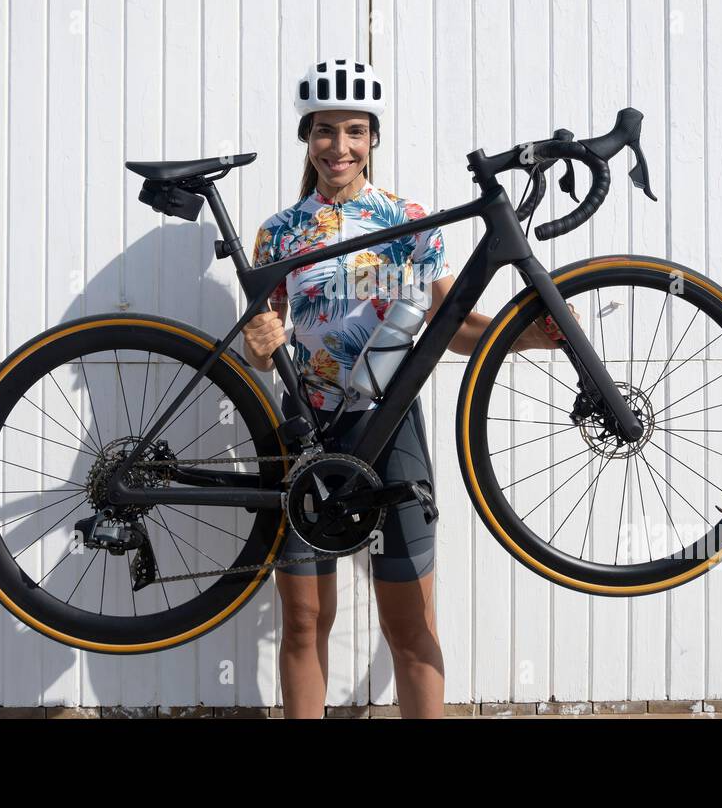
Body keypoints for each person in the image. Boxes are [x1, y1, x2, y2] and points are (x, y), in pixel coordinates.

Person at [241, 58, 575, 718]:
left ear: (374, 138)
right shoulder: (279, 233)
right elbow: (265, 339)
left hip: (389, 427)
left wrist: (531, 336)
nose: (340, 147)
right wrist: (259, 347)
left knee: (410, 628)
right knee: (304, 624)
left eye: (356, 131)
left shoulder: (410, 221)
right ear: (307, 139)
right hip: (303, 428)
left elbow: (452, 326)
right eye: (326, 131)